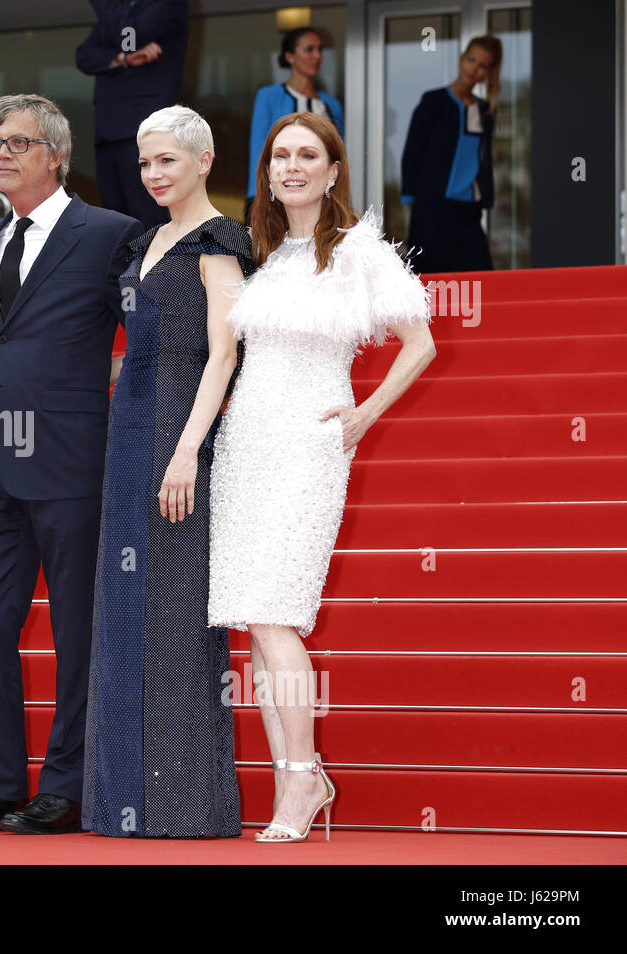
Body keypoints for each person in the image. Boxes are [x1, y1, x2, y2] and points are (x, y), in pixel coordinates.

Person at [208, 112, 435, 842]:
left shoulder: (358, 250)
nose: (292, 166)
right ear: (267, 170)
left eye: (308, 155)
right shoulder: (266, 253)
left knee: (275, 614)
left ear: (333, 170)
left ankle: (302, 779)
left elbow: (420, 342)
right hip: (247, 443)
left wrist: (365, 414)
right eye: (281, 156)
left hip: (309, 445)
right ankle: (294, 780)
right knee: (255, 620)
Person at [0, 94, 144, 835]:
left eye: (19, 143)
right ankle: (2, 784)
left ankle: (66, 785)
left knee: (74, 631)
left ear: (56, 154)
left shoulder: (111, 233)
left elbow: (145, 336)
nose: (3, 154)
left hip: (72, 461)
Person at [83, 105, 252, 838]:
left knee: (177, 614)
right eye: (146, 162)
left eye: (167, 162)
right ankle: (123, 800)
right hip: (129, 429)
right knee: (124, 612)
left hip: (180, 430)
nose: (152, 174)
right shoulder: (145, 241)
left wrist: (188, 448)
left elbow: (226, 353)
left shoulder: (221, 241)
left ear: (204, 161)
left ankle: (185, 806)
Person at [75, 0, 188, 229]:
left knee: (148, 216)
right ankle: (127, 267)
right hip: (108, 128)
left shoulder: (164, 4)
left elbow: (130, 38)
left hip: (143, 126)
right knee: (114, 221)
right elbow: (84, 56)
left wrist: (122, 46)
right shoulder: (118, 13)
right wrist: (122, 58)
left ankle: (161, 266)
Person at [400, 36, 502, 273]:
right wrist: (410, 199)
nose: (474, 69)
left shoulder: (486, 111)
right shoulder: (434, 102)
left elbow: (483, 159)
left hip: (468, 211)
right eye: (471, 60)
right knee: (429, 281)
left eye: (482, 65)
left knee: (480, 280)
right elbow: (412, 152)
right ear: (461, 59)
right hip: (432, 209)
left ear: (488, 72)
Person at [246, 27, 343, 222]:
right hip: (275, 199)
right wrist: (256, 197)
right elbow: (259, 148)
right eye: (309, 49)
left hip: (325, 199)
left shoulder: (331, 104)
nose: (317, 55)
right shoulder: (268, 96)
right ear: (290, 56)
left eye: (319, 49)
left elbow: (339, 154)